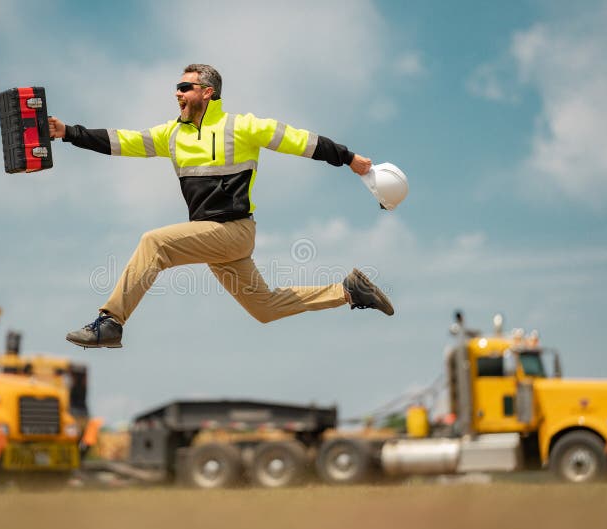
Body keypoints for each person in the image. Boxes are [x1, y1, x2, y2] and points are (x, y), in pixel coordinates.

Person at [49, 64, 396, 349]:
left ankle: (111, 322)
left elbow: (300, 141)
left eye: (184, 86)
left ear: (207, 92)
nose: (177, 93)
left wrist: (350, 158)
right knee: (265, 308)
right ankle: (350, 291)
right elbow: (119, 141)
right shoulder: (171, 135)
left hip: (234, 230)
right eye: (177, 88)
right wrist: (67, 132)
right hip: (213, 239)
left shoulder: (241, 127)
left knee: (154, 243)